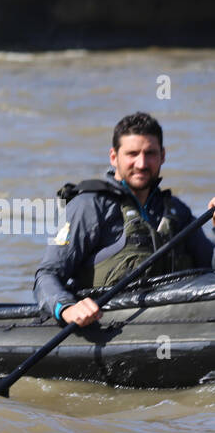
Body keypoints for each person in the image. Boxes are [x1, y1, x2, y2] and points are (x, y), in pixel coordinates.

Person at [34, 112, 215, 326]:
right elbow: (46, 275)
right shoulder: (88, 207)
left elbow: (210, 272)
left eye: (150, 153)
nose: (141, 163)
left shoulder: (177, 211)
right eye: (132, 154)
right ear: (114, 156)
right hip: (111, 325)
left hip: (171, 322)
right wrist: (65, 307)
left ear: (163, 156)